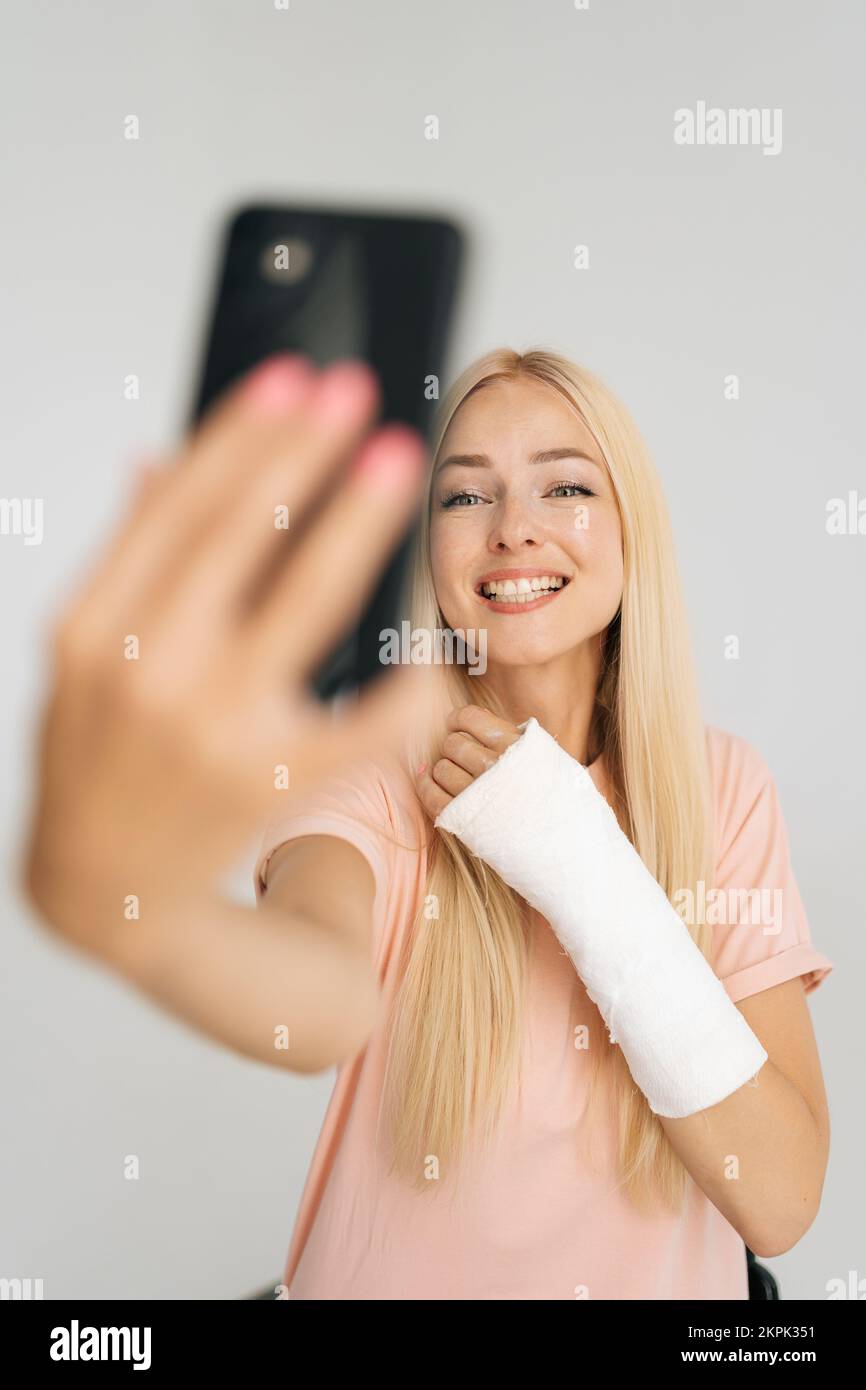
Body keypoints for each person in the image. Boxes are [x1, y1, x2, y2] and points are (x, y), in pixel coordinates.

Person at [24, 347, 834, 1301]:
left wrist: (579, 859)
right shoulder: (366, 770)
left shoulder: (720, 786)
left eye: (564, 486)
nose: (514, 532)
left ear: (630, 529)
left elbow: (778, 1203)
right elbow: (315, 1000)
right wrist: (131, 908)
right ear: (423, 544)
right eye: (462, 498)